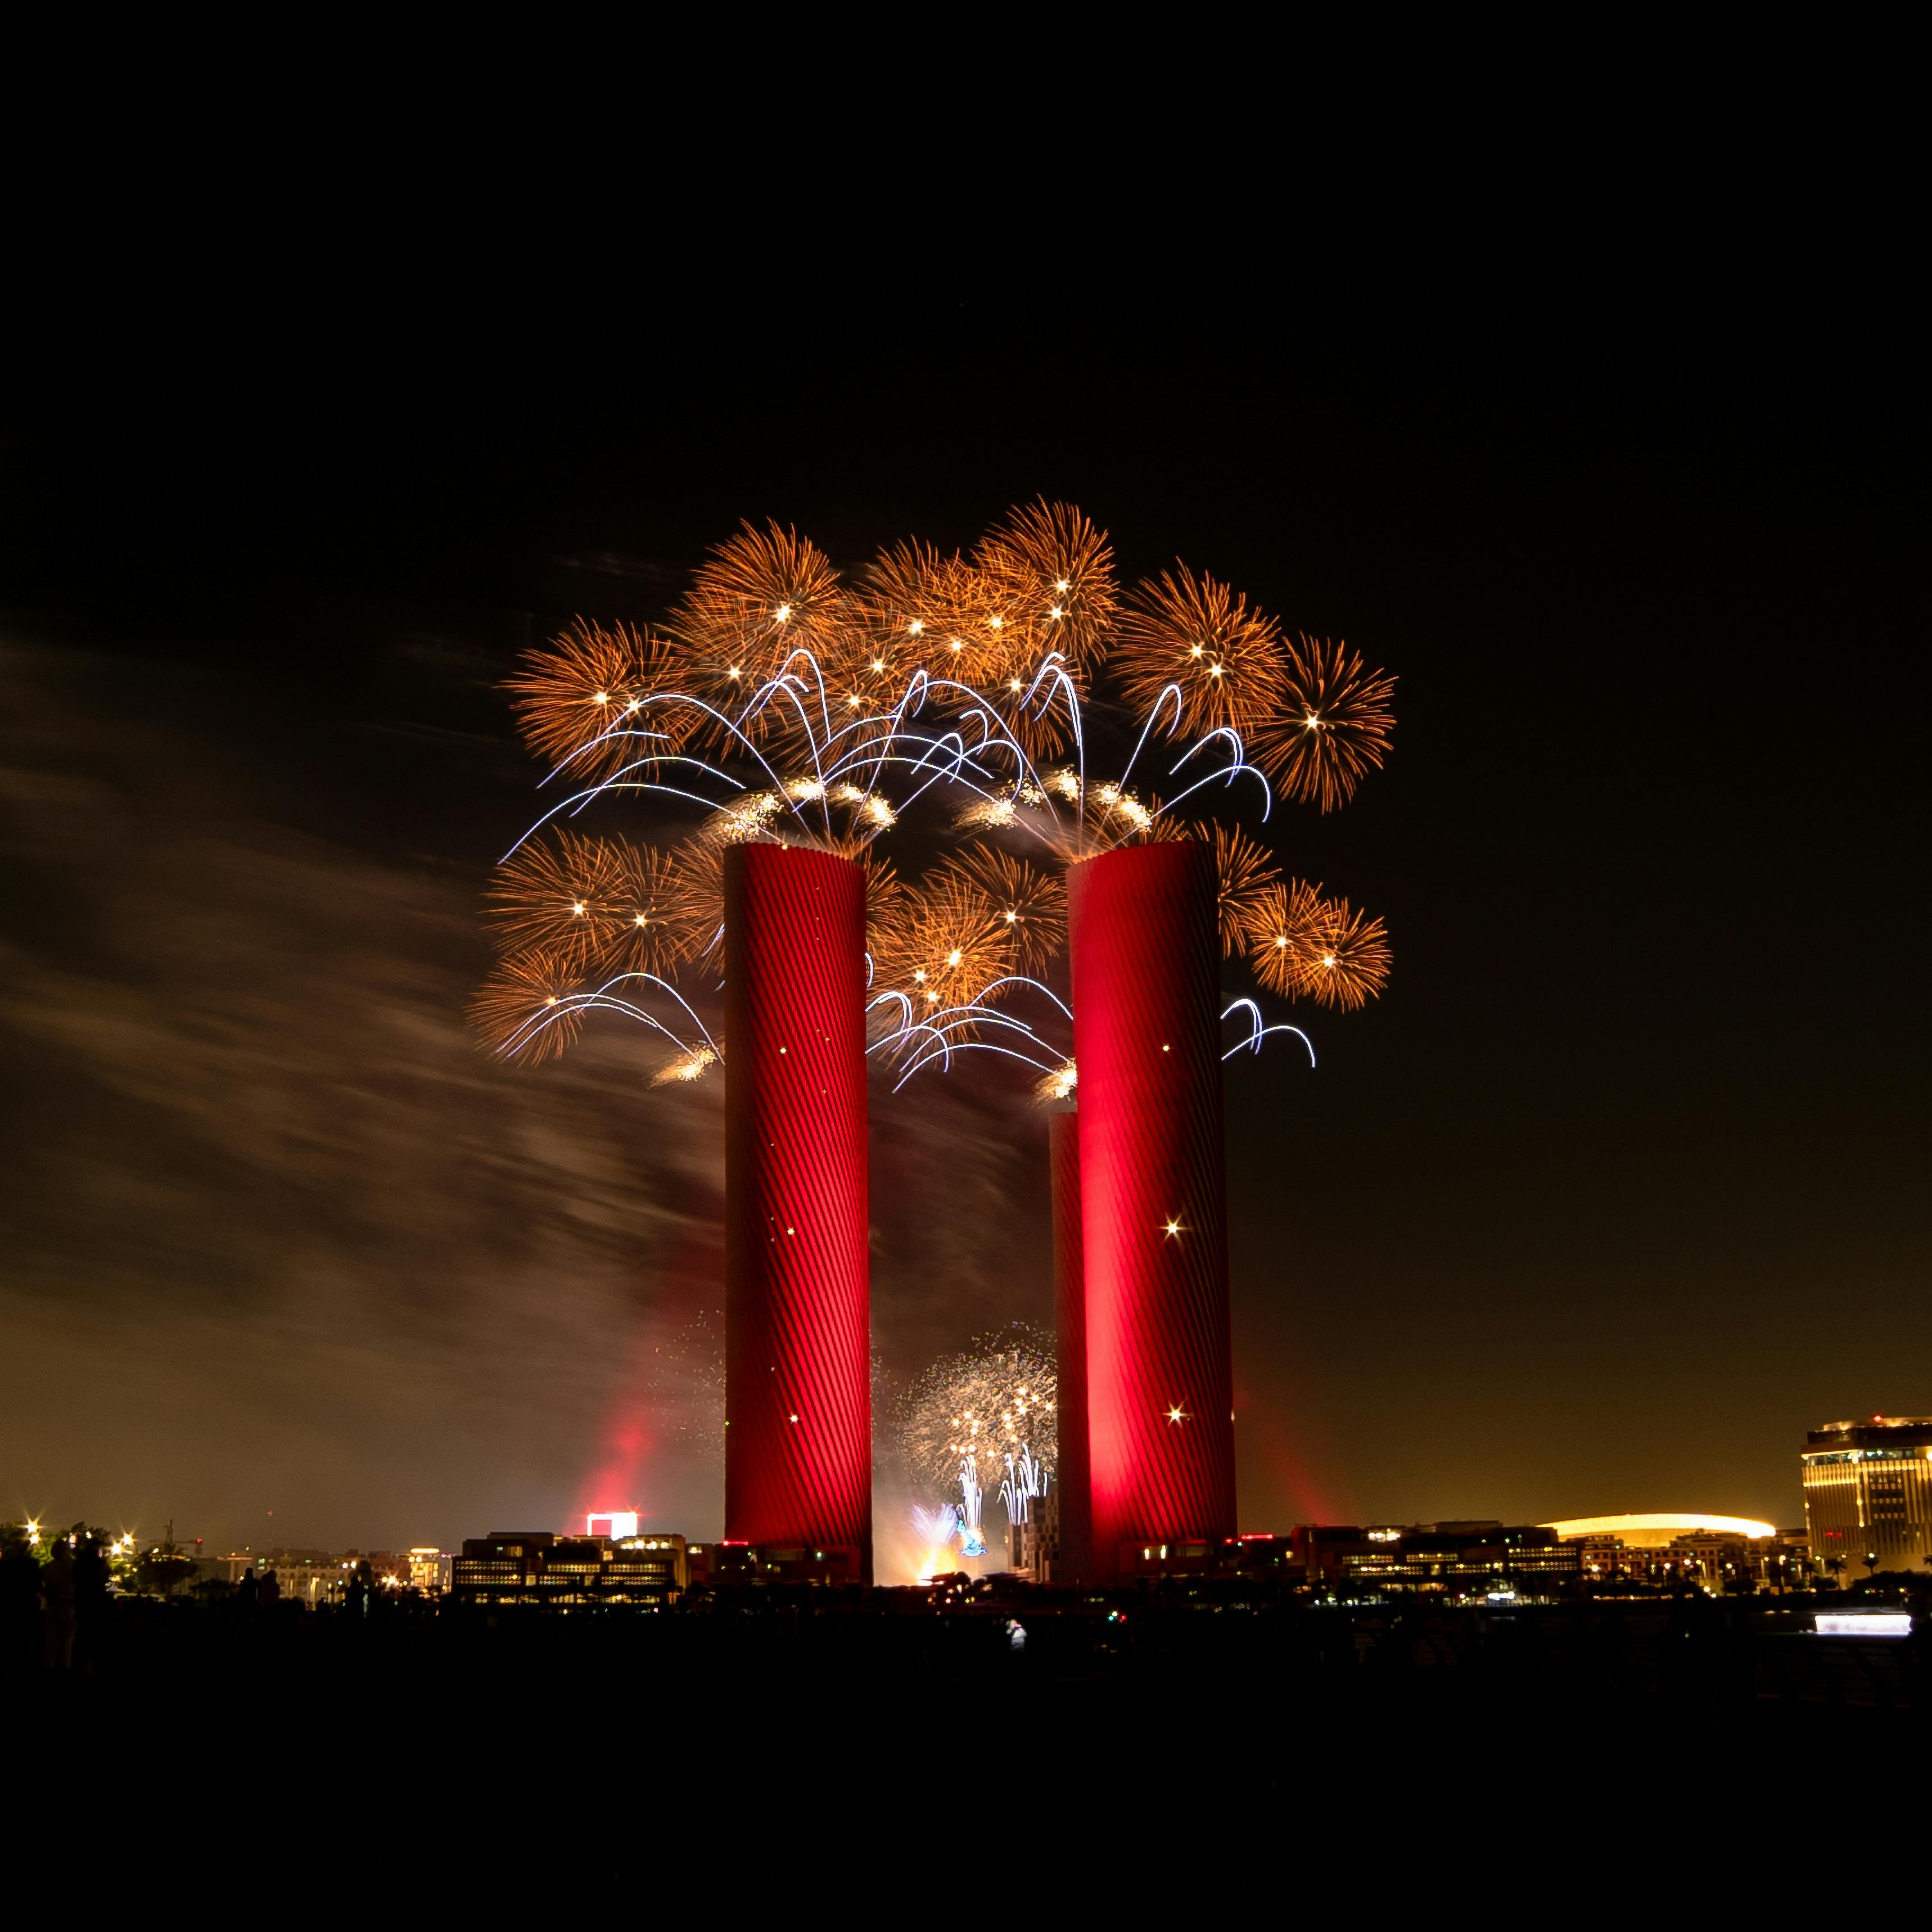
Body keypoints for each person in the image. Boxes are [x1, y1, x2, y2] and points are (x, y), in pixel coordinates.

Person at [42, 1540, 77, 1671]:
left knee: (52, 1637)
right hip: (69, 1605)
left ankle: (49, 1663)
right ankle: (65, 1664)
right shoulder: (74, 1567)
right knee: (67, 1639)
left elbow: (40, 1586)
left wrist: (47, 1594)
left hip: (53, 1605)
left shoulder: (48, 1568)